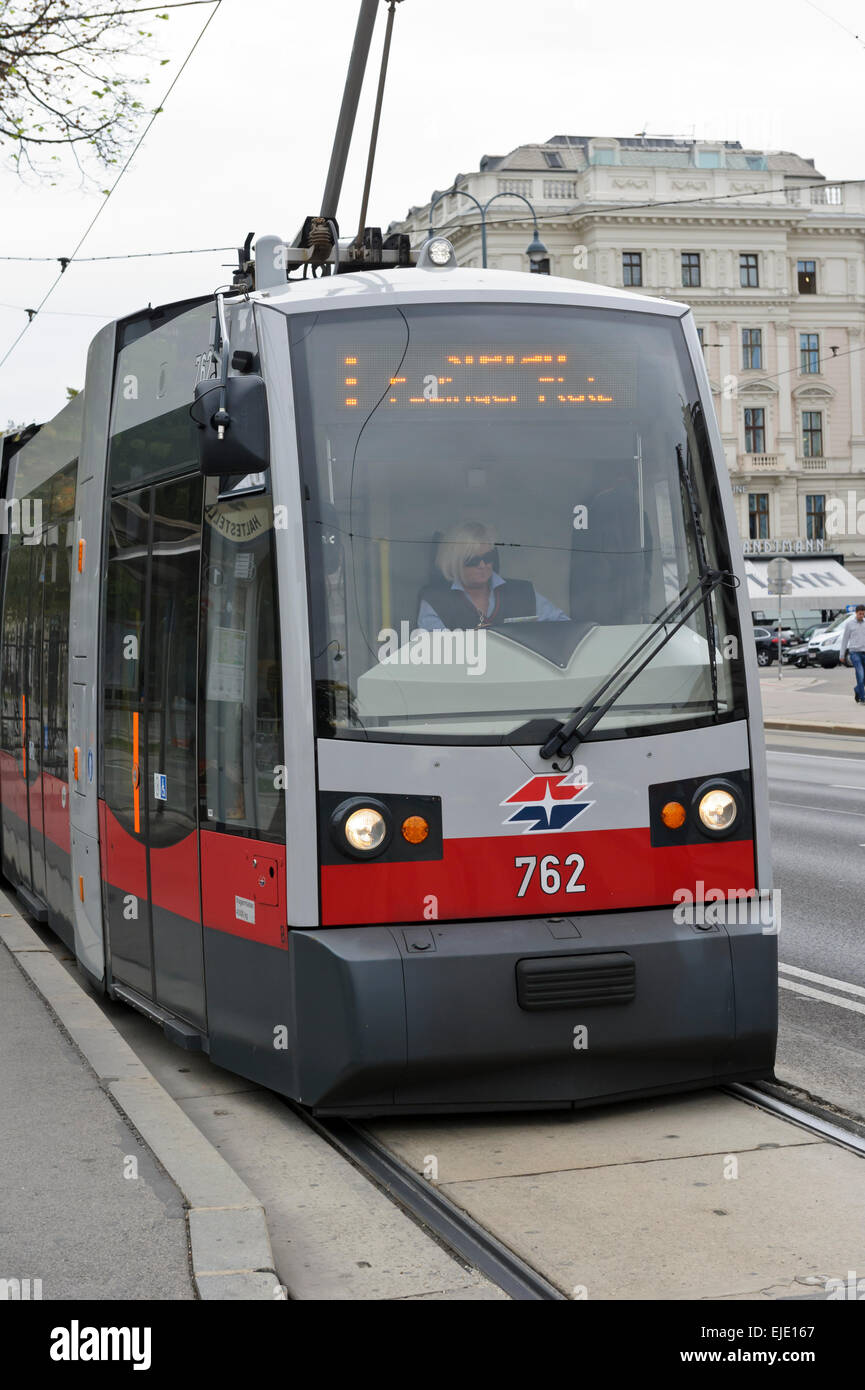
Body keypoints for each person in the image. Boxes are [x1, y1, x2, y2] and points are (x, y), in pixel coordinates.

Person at [417, 520, 568, 630]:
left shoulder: (523, 593)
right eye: (473, 560)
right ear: (454, 563)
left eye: (488, 558)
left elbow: (564, 628)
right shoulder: (435, 601)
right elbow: (436, 653)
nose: (482, 565)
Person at [840, 603, 865, 704]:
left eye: (863, 614)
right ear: (856, 613)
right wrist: (842, 655)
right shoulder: (849, 624)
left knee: (864, 677)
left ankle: (857, 690)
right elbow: (845, 639)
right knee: (860, 674)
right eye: (860, 614)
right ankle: (863, 698)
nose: (861, 616)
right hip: (854, 653)